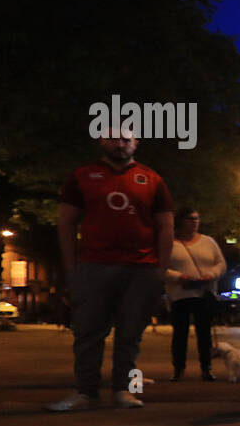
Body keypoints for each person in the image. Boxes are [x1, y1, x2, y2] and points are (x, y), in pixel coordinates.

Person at [46, 127, 174, 410]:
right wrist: (72, 268)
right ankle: (85, 392)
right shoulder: (81, 177)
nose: (120, 144)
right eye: (114, 139)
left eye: (126, 140)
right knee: (88, 332)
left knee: (130, 333)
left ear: (136, 143)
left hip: (140, 268)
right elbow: (66, 223)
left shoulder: (153, 180)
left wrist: (160, 271)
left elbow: (166, 227)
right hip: (94, 265)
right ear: (102, 141)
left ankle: (123, 390)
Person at [165, 206, 226, 381]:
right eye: (190, 219)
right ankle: (178, 368)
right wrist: (178, 277)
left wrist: (211, 275)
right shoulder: (171, 243)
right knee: (180, 333)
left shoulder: (208, 242)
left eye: (197, 219)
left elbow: (220, 264)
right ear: (180, 221)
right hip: (180, 294)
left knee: (204, 333)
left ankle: (206, 368)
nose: (194, 222)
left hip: (203, 293)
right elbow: (160, 268)